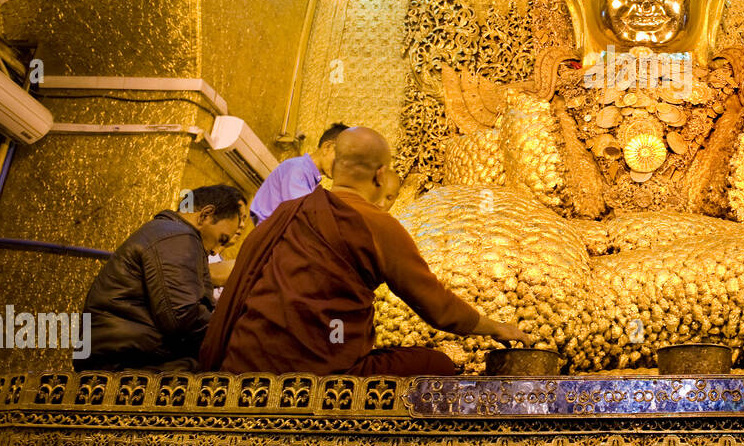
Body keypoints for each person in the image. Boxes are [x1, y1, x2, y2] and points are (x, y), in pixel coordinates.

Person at [199, 127, 529, 376]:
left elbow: (243, 274)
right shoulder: (378, 225)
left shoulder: (287, 214)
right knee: (437, 363)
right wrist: (495, 326)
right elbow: (437, 305)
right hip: (319, 375)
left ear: (336, 167)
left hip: (242, 364)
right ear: (380, 174)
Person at [77, 184, 246, 371]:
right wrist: (234, 338)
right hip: (126, 363)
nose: (215, 250)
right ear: (205, 214)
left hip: (123, 355)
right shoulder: (177, 236)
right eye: (221, 239)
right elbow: (182, 316)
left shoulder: (167, 233)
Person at [248, 122, 348, 224]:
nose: (342, 167)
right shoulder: (299, 169)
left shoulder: (308, 175)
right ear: (328, 147)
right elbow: (304, 215)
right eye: (342, 158)